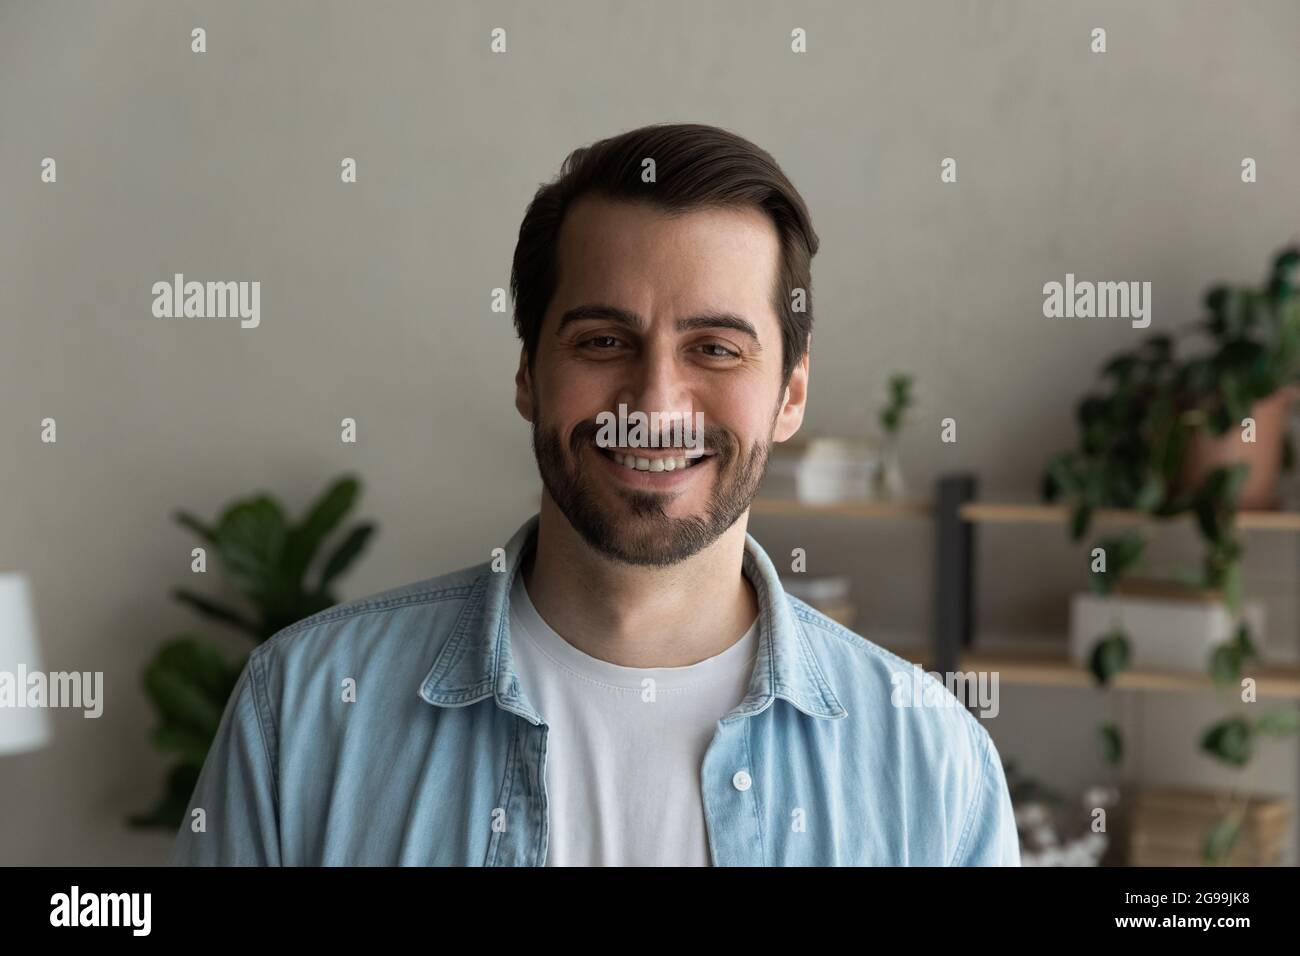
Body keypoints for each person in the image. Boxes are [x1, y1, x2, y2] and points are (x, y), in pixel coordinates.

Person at [171, 122, 1020, 866]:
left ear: (790, 394)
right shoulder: (304, 713)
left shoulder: (931, 765)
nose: (654, 405)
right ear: (528, 375)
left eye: (716, 349)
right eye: (604, 340)